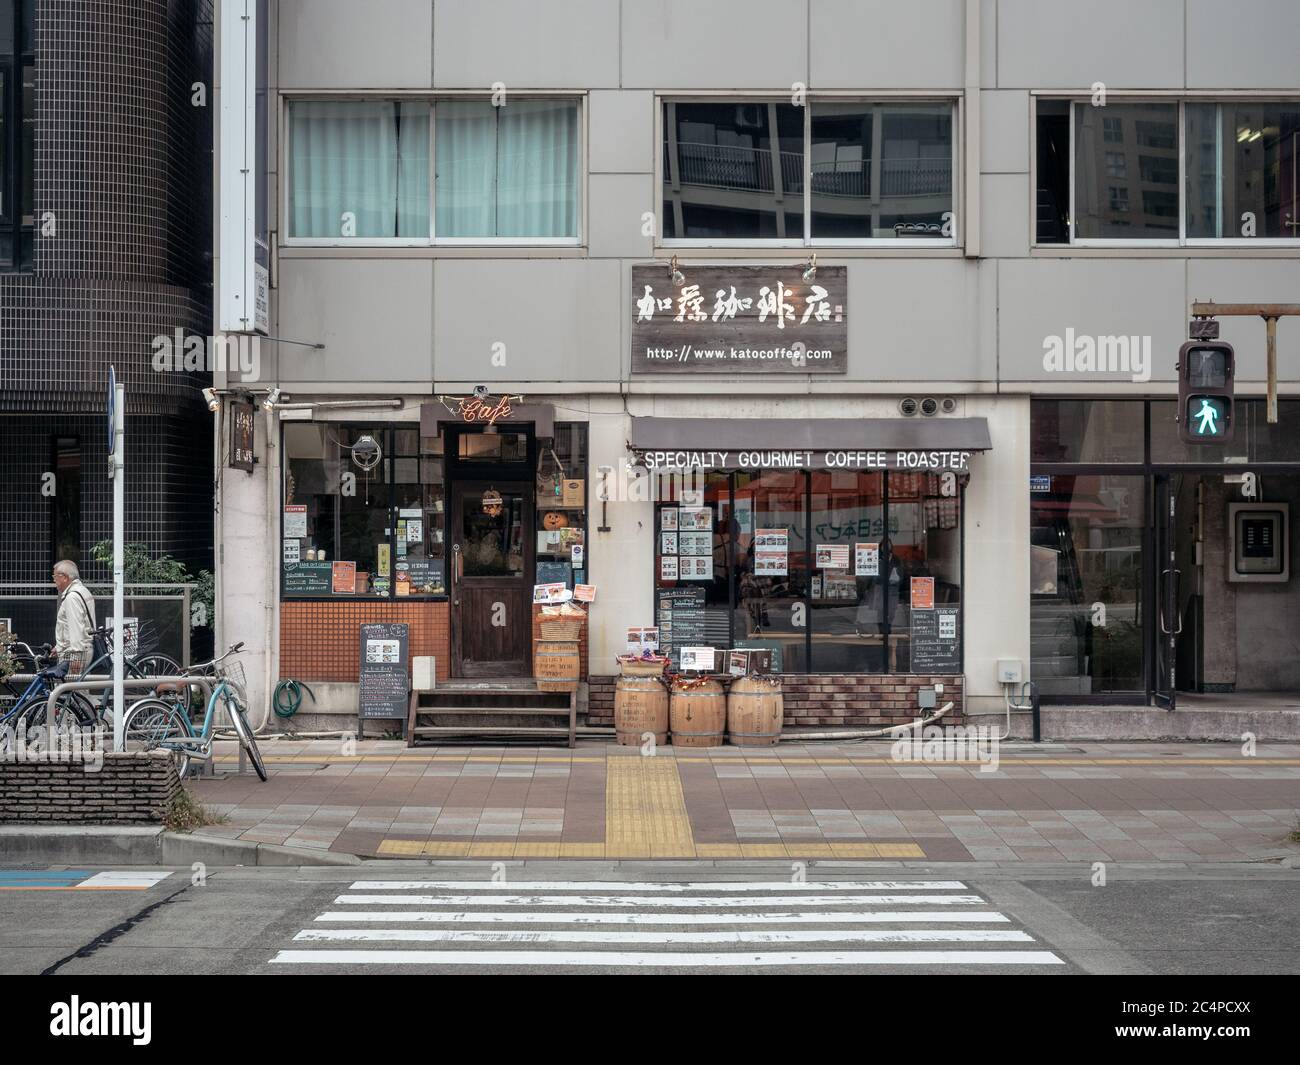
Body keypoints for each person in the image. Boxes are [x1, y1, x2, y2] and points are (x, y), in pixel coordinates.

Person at [52, 559, 96, 675]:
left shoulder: (72, 597)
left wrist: (76, 657)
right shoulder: (83, 591)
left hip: (73, 654)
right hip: (82, 650)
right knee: (78, 691)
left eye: (55, 577)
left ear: (65, 577)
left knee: (64, 691)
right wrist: (58, 646)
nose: (54, 581)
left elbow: (76, 627)